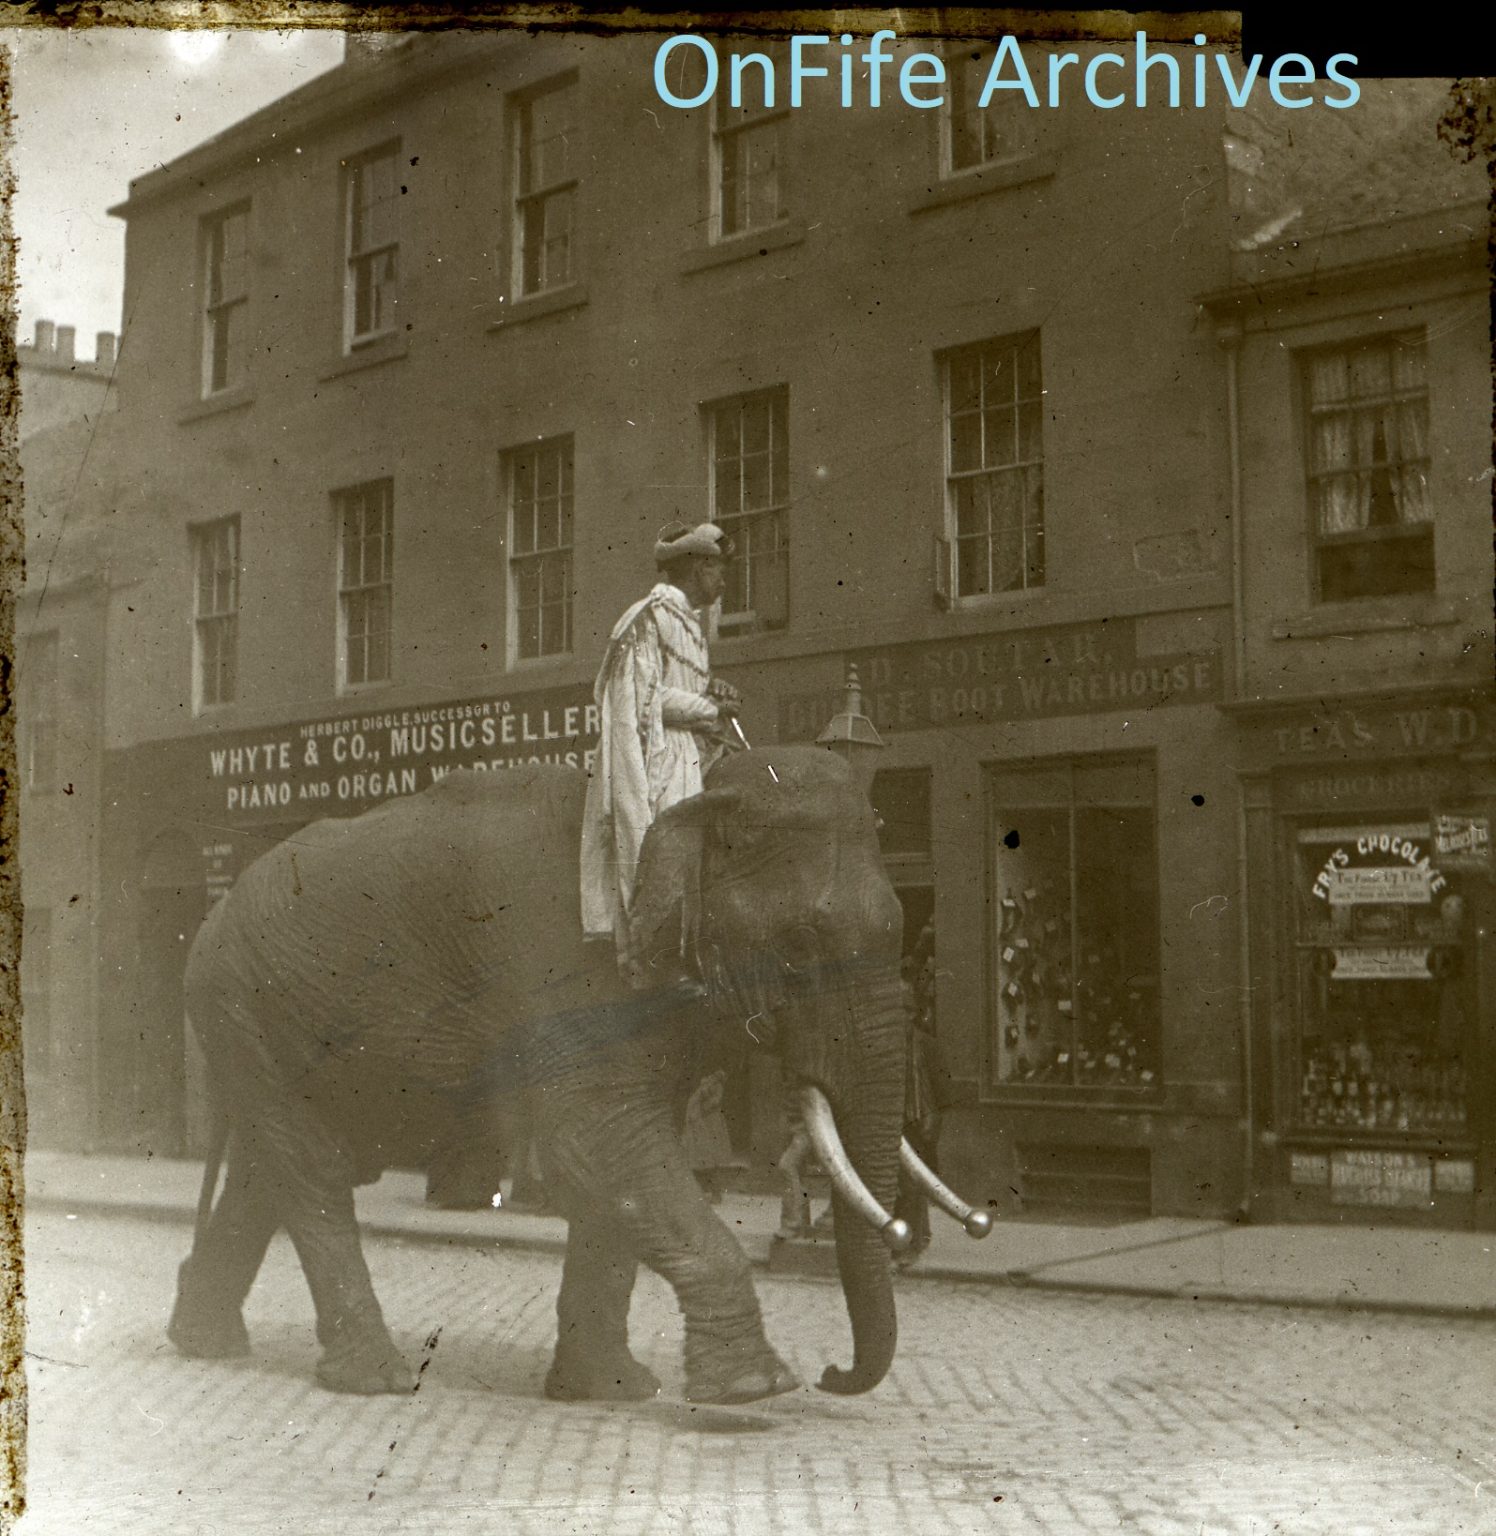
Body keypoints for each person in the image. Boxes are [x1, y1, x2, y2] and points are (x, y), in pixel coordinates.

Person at [579, 521, 741, 972]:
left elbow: (684, 689)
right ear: (699, 567)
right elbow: (643, 697)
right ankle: (653, 953)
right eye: (719, 568)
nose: (724, 579)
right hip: (652, 755)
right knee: (666, 845)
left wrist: (713, 693)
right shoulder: (645, 619)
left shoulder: (691, 627)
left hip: (687, 753)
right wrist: (708, 708)